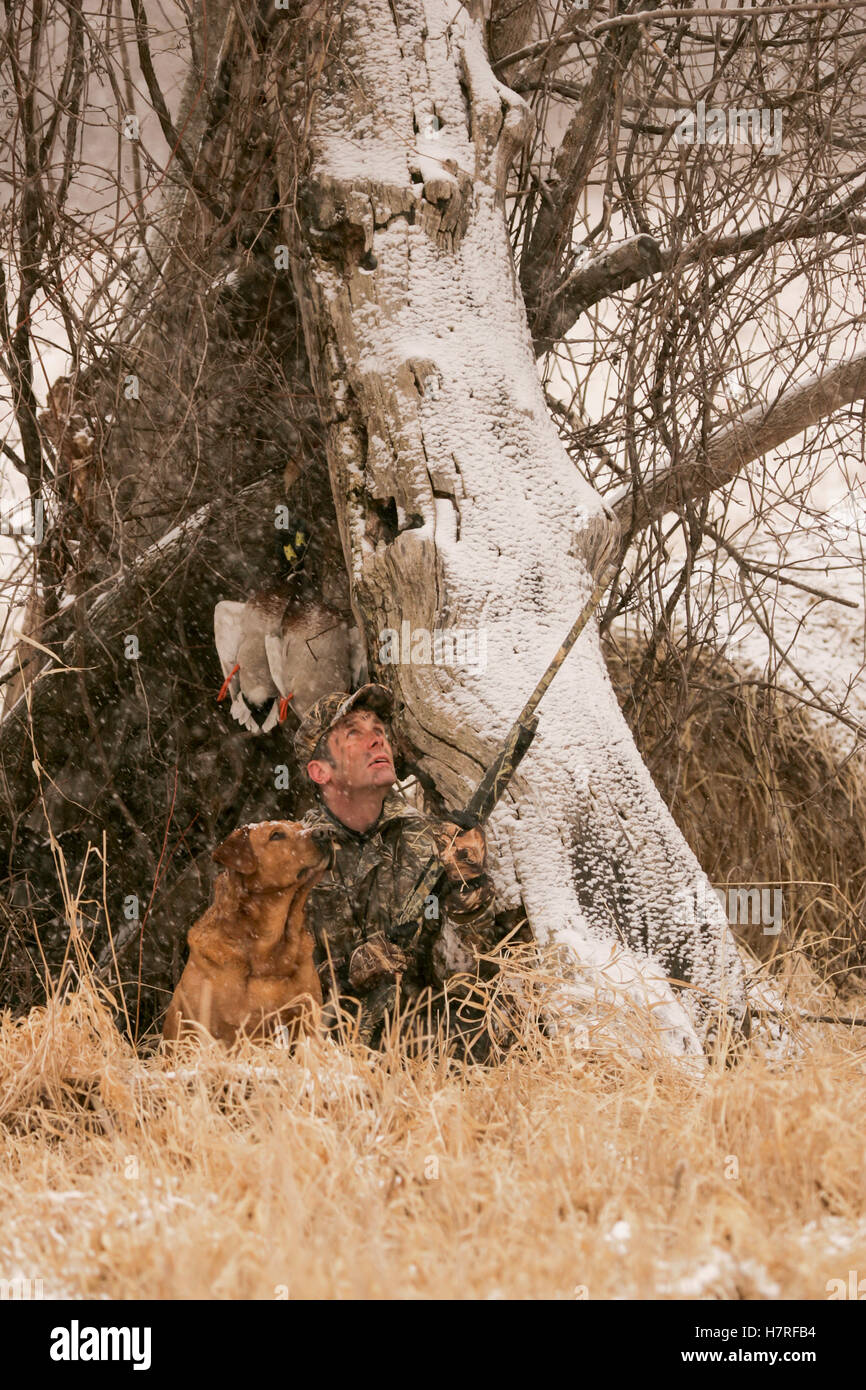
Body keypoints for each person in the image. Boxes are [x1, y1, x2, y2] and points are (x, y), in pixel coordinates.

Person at [294, 684, 505, 1054]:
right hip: (320, 1045)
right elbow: (273, 971)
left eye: (379, 731)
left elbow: (477, 959)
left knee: (495, 1025)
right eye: (354, 734)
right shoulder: (296, 855)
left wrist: (470, 890)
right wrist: (346, 971)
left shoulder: (428, 839)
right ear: (320, 771)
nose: (377, 741)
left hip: (418, 1037)